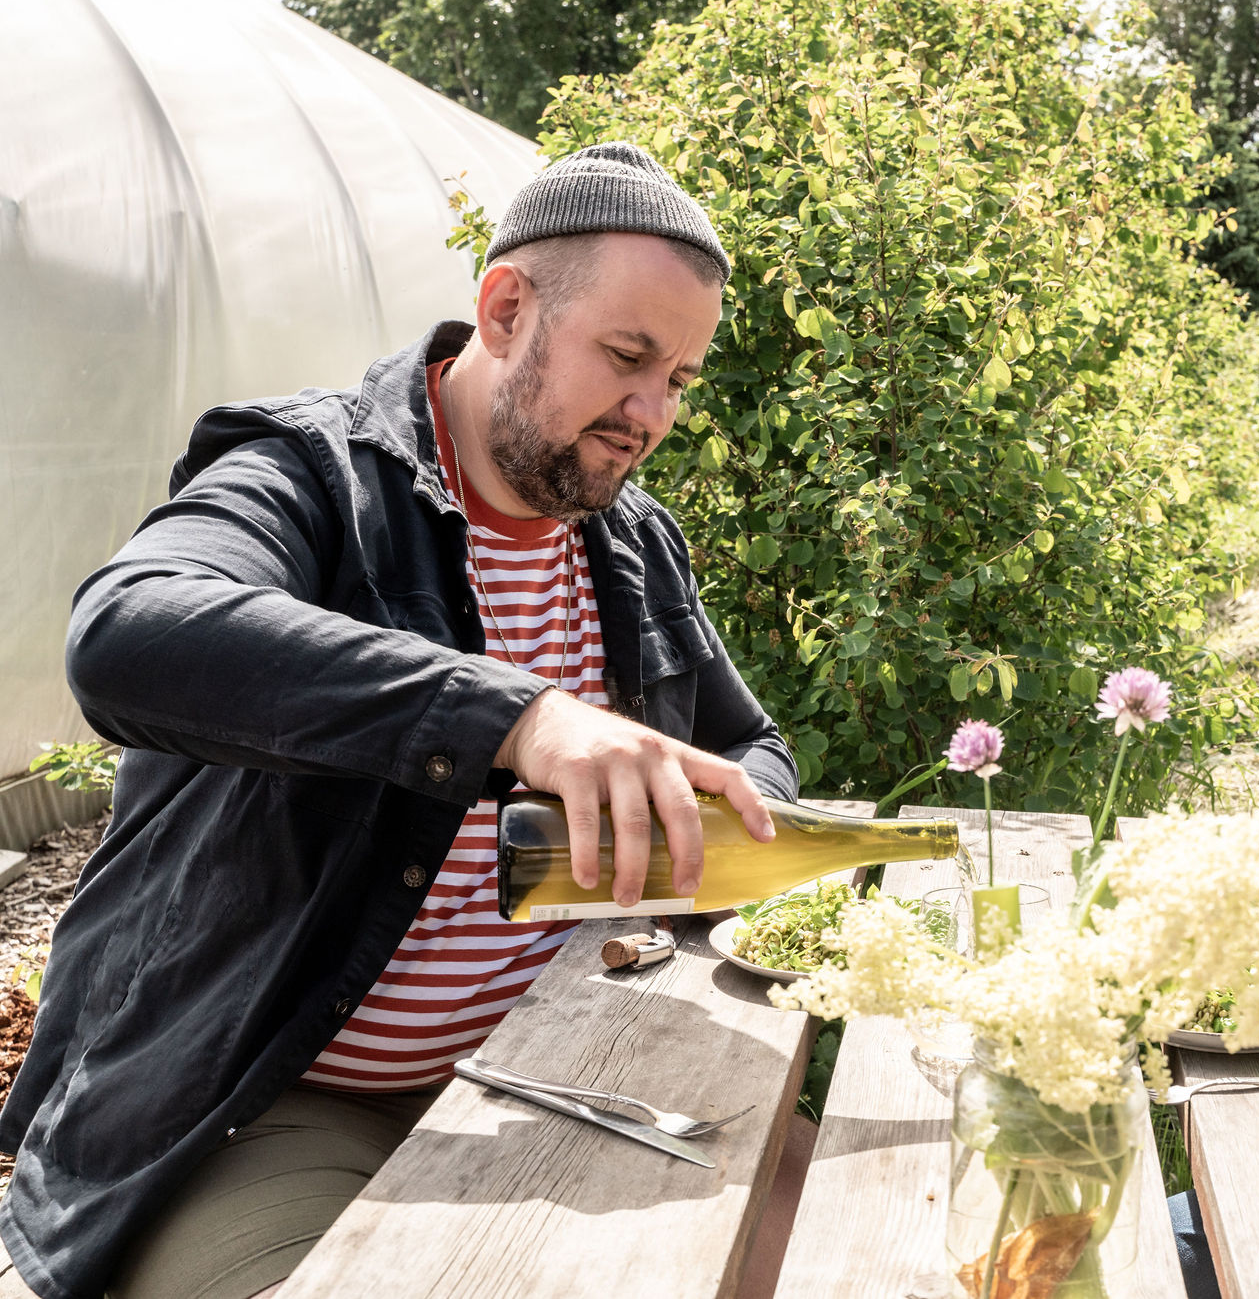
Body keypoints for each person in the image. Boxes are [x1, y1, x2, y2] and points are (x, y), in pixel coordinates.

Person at [0, 142, 799, 1299]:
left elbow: (746, 749)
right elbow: (129, 631)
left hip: (551, 1065)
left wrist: (716, 815)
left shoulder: (631, 539)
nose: (648, 414)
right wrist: (521, 717)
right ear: (506, 307)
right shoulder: (313, 474)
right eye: (627, 357)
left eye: (677, 378)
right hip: (259, 1101)